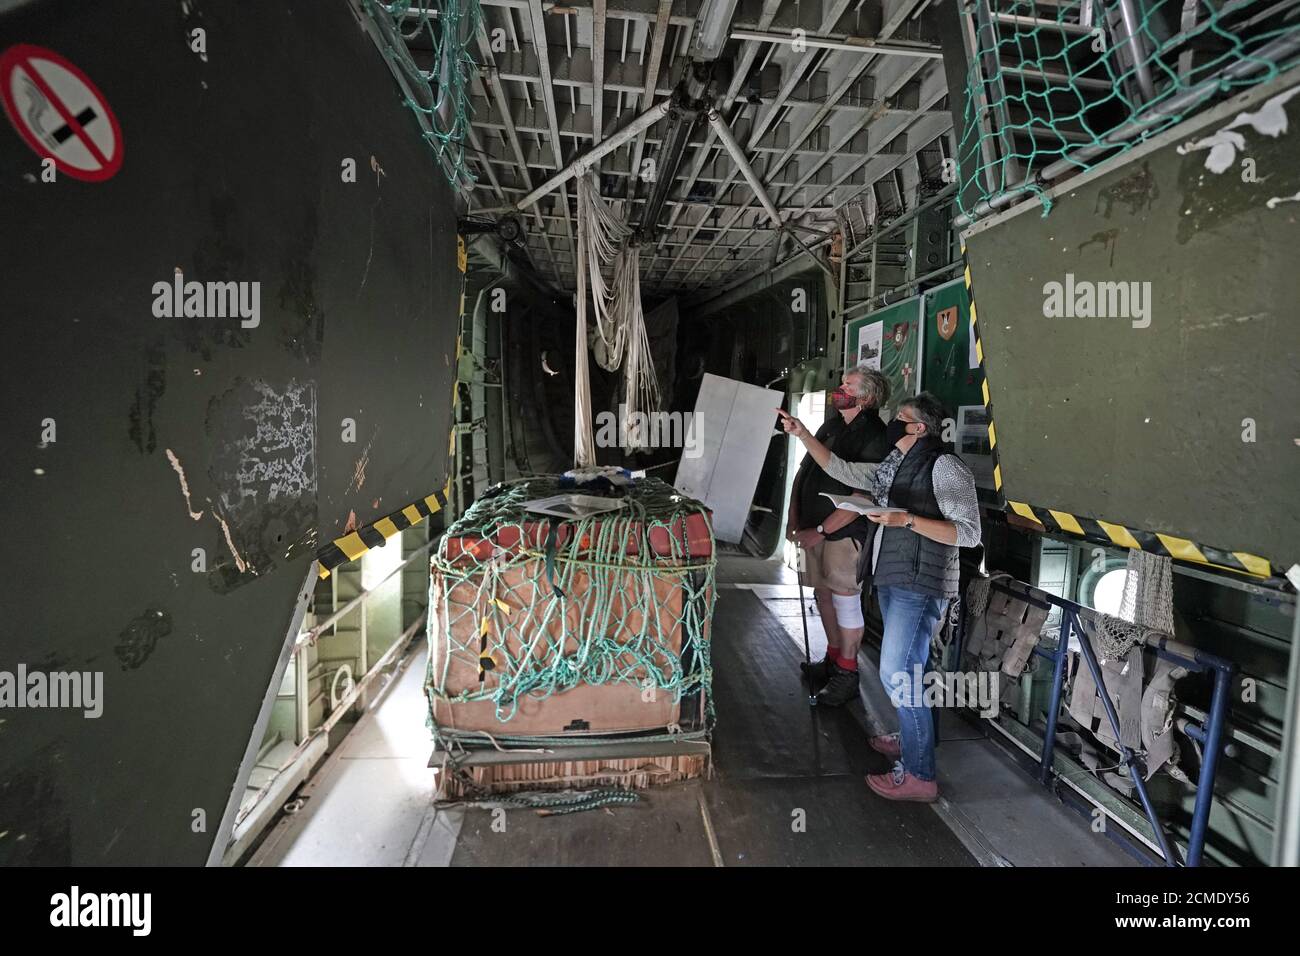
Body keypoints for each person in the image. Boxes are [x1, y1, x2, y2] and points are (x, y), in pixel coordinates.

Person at [778, 392, 980, 803]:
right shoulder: (894, 464)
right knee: (912, 670)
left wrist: (906, 519)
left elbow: (970, 532)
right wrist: (801, 434)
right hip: (893, 577)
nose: (891, 423)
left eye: (900, 419)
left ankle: (920, 776)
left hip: (921, 583)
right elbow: (843, 469)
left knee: (897, 674)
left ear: (919, 428)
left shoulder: (946, 467)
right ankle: (913, 740)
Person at [785, 366, 892, 706]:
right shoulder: (830, 425)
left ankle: (848, 672)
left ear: (867, 397)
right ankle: (832, 659)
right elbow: (805, 472)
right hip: (813, 528)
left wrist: (820, 531)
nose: (840, 387)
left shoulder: (875, 434)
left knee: (845, 599)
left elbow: (863, 497)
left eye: (849, 384)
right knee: (823, 595)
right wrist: (793, 518)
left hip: (844, 533)